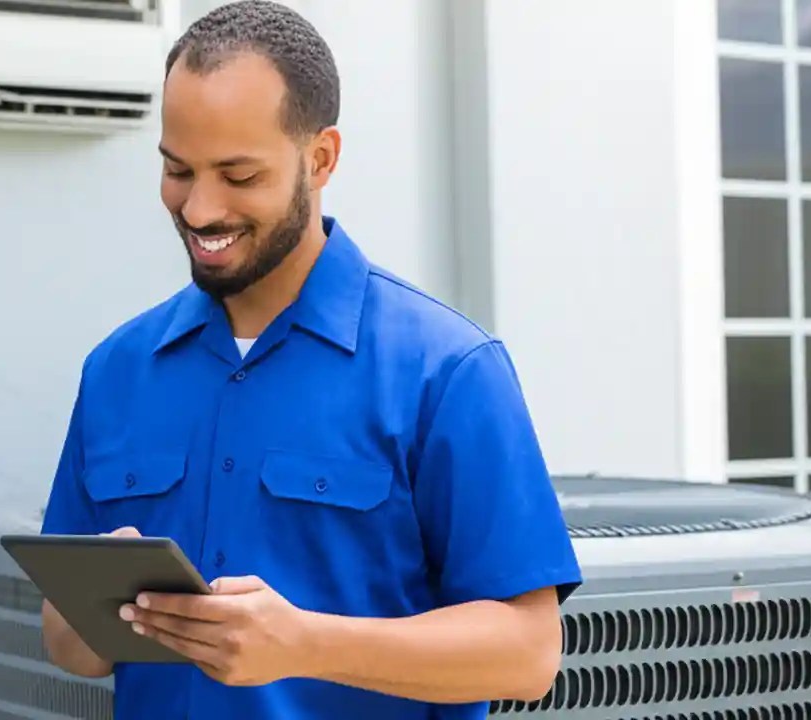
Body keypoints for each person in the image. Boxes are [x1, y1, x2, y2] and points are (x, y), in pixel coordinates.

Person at [38, 2, 582, 718]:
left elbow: (527, 654)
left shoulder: (448, 370)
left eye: (238, 175)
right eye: (177, 169)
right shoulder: (116, 371)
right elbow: (70, 646)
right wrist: (113, 606)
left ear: (321, 158)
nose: (199, 209)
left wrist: (304, 645)